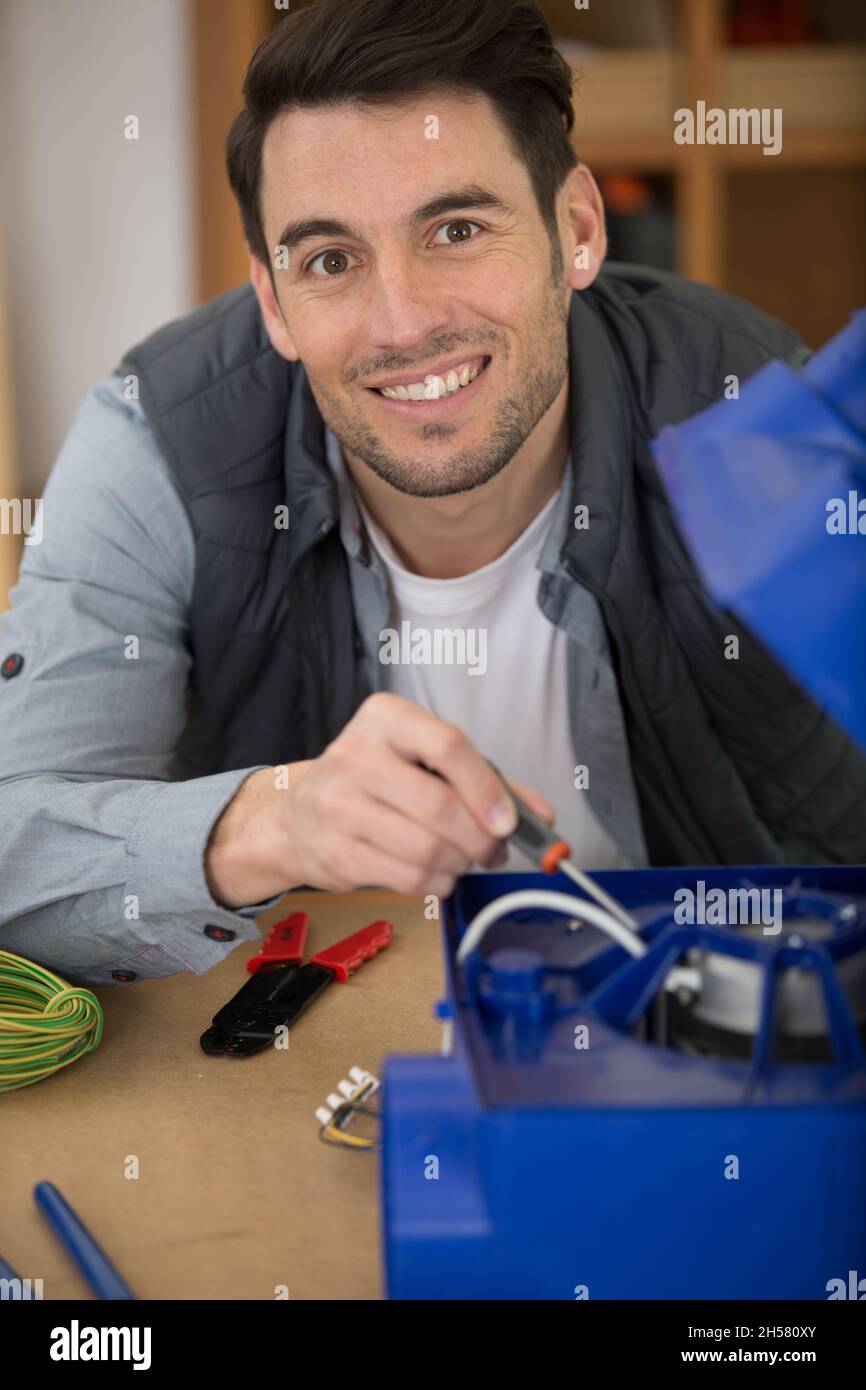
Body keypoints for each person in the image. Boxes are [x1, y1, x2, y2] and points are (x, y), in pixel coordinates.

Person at [1, 0, 863, 987]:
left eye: (454, 228)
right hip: (313, 1074)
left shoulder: (755, 412)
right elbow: (13, 850)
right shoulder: (156, 442)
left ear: (575, 229)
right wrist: (274, 821)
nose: (402, 322)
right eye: (330, 260)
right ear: (272, 302)